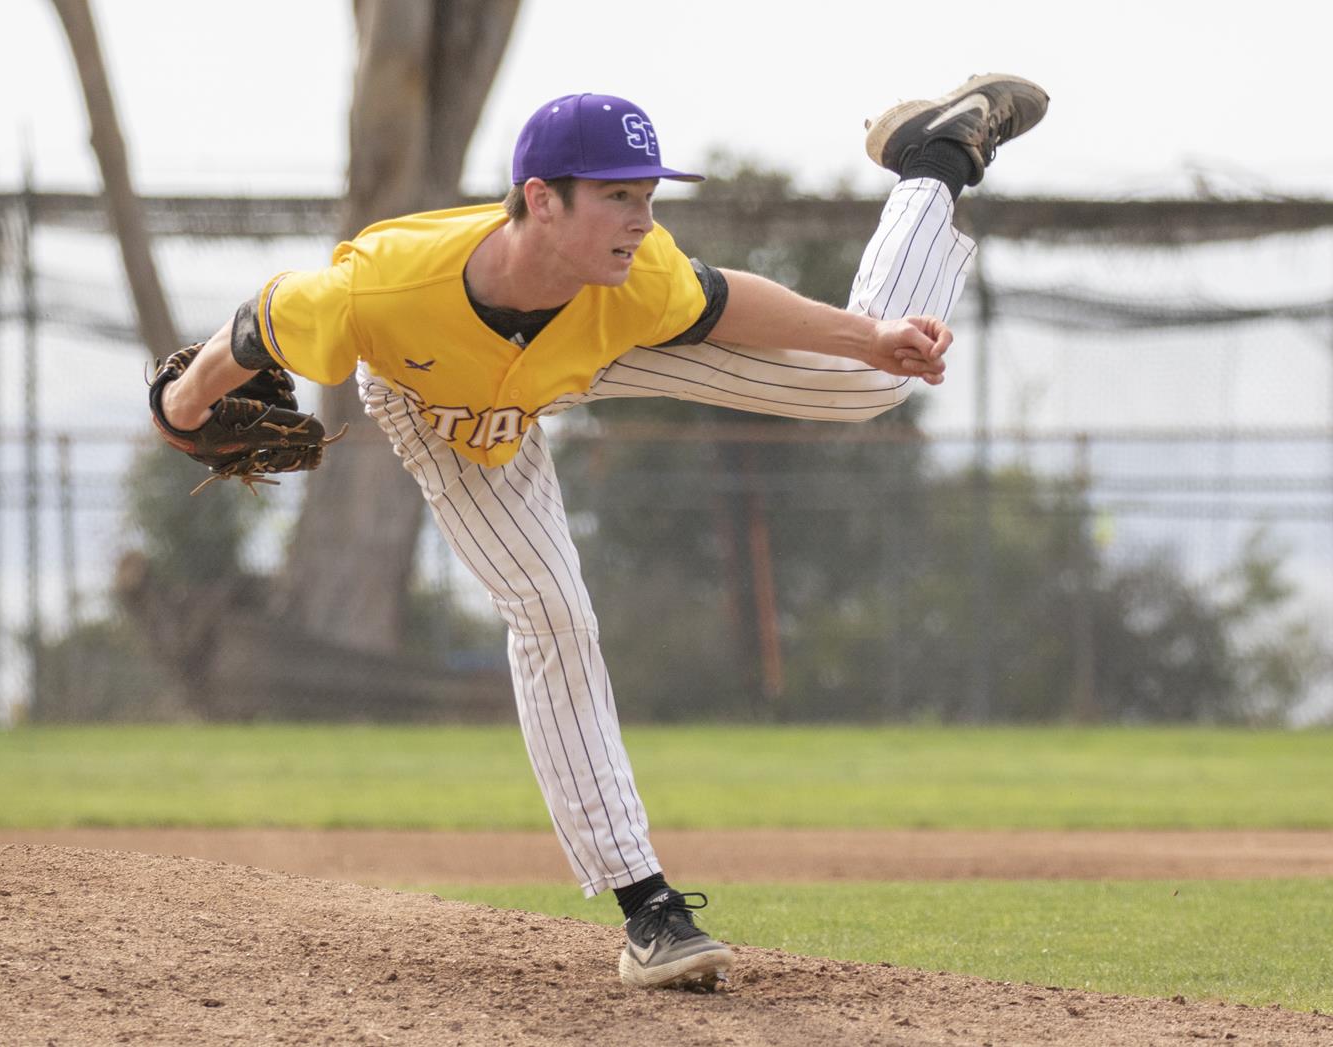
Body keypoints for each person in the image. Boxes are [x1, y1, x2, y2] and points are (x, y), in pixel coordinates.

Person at [153, 74, 1048, 991]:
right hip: (437, 397)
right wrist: (183, 405)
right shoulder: (376, 290)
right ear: (541, 199)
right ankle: (647, 907)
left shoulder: (637, 272)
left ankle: (933, 159)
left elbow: (726, 300)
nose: (640, 216)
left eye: (649, 195)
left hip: (585, 347)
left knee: (870, 382)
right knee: (551, 612)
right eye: (618, 194)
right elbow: (256, 324)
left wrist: (867, 339)